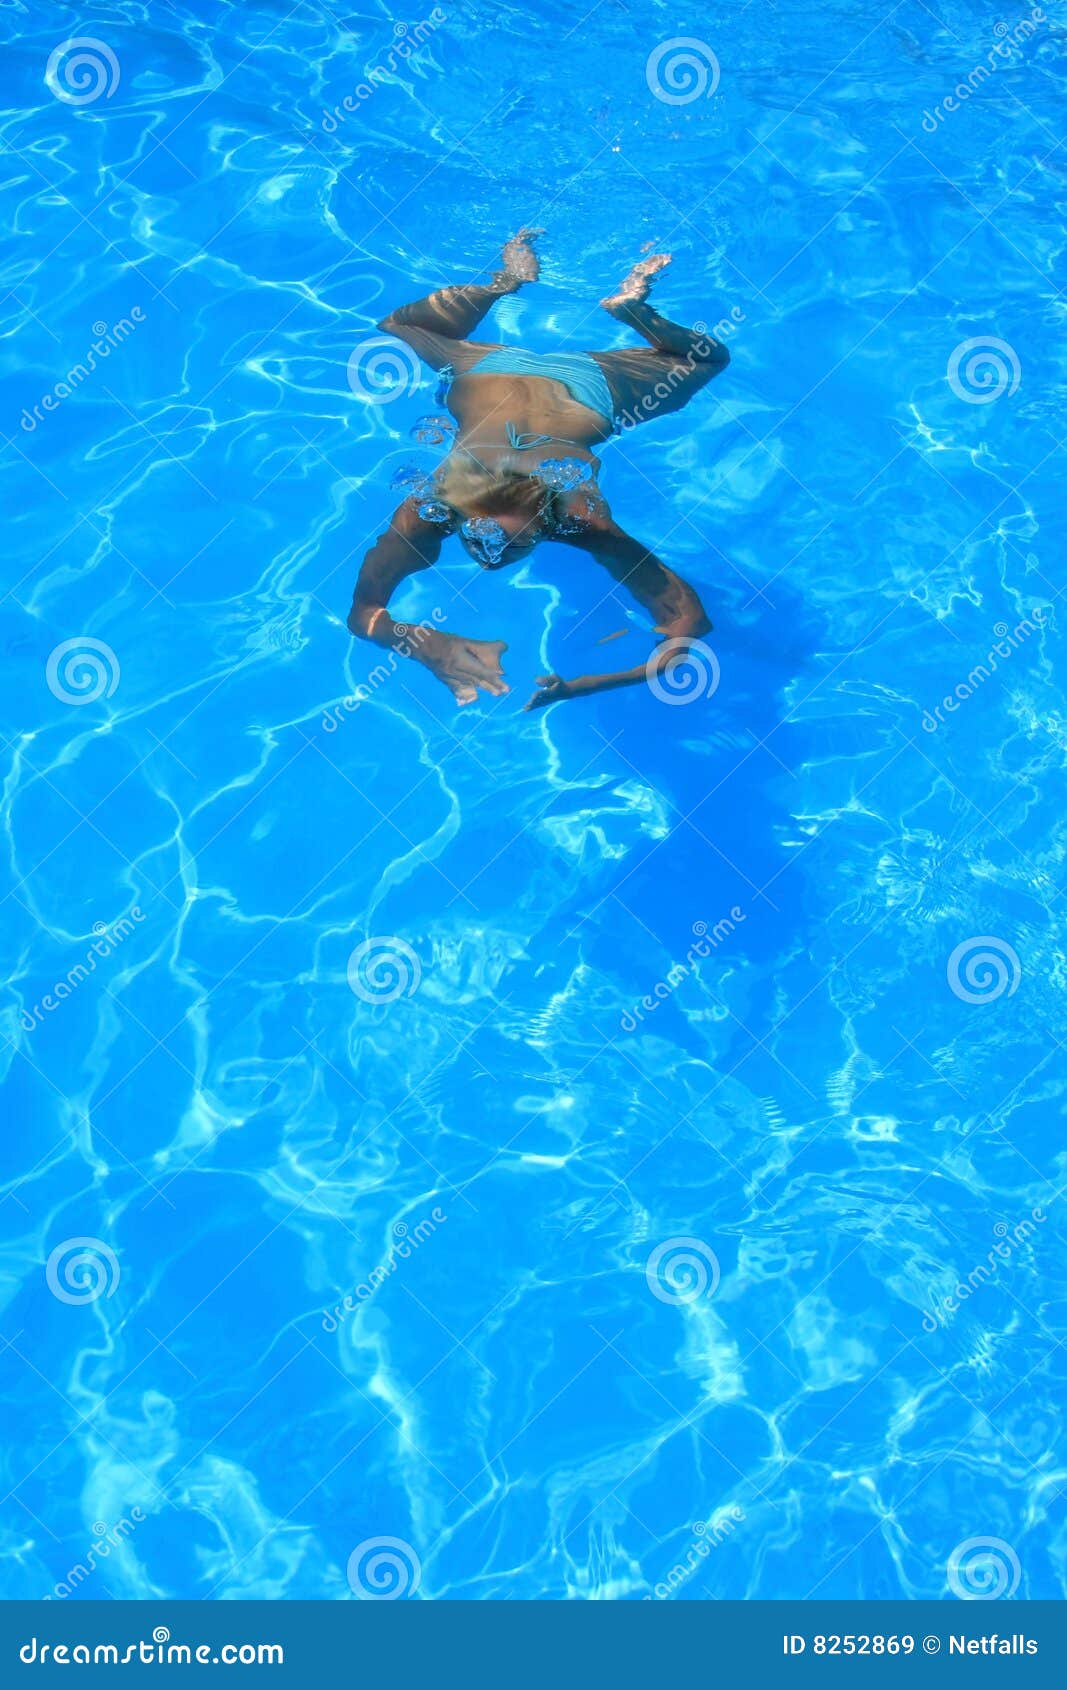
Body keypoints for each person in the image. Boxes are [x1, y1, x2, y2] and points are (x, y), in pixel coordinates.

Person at [346, 231, 730, 710]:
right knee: (398, 325)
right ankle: (616, 305)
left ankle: (510, 282)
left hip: (565, 381)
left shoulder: (582, 522)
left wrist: (587, 686)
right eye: (484, 538)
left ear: (551, 522)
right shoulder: (435, 503)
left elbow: (690, 624)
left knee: (710, 359)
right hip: (492, 368)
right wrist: (428, 646)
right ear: (463, 513)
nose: (491, 557)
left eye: (507, 543)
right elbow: (687, 625)